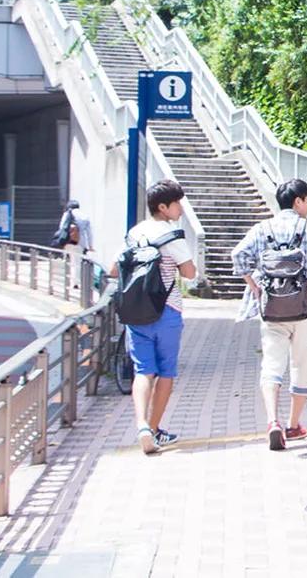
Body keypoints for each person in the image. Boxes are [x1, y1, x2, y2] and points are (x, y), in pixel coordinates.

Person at [232, 178, 307, 451]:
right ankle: (294, 425)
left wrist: (255, 286)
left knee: (271, 364)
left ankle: (272, 421)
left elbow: (238, 255)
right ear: (298, 201)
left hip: (270, 306)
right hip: (304, 306)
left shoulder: (262, 228)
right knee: (300, 363)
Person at [108, 179, 196, 454]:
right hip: (167, 309)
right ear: (163, 207)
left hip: (136, 312)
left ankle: (142, 425)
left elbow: (113, 268)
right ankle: (156, 431)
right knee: (166, 372)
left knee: (143, 371)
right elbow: (190, 273)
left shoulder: (134, 233)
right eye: (177, 203)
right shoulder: (171, 235)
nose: (180, 209)